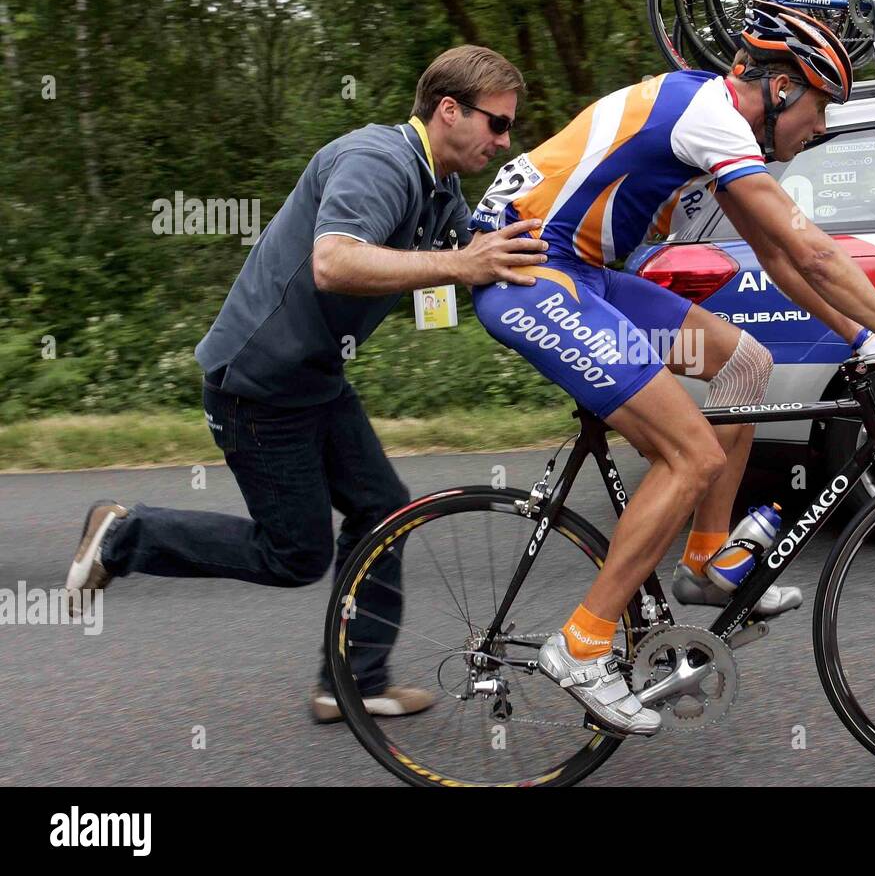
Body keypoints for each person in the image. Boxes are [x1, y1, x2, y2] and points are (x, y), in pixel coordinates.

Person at [469, 2, 875, 735]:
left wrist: (861, 337)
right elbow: (815, 249)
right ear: (785, 89)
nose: (821, 129)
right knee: (690, 451)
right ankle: (583, 645)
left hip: (583, 275)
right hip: (533, 276)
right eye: (822, 107)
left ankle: (705, 561)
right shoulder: (712, 116)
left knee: (745, 363)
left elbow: (778, 255)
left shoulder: (713, 122)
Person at [66, 45, 548, 723]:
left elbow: (476, 263)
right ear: (449, 111)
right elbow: (335, 261)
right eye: (497, 124)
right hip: (257, 387)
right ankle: (125, 536)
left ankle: (351, 680)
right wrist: (459, 265)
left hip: (315, 378)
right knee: (294, 554)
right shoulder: (377, 162)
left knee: (383, 507)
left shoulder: (439, 189)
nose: (504, 140)